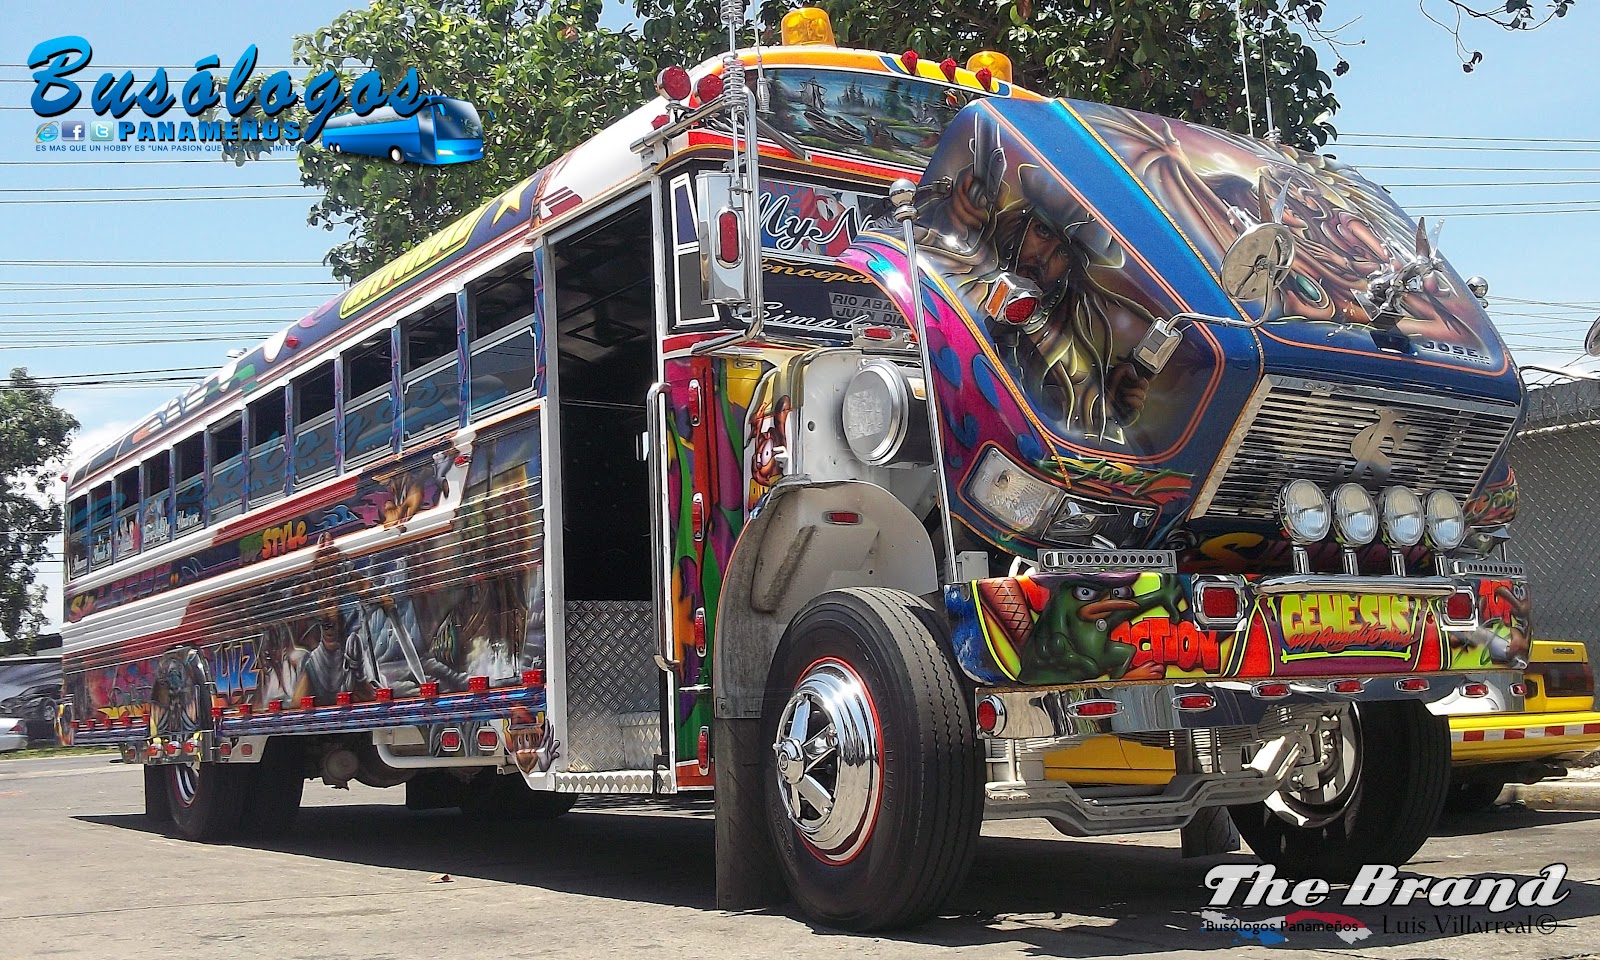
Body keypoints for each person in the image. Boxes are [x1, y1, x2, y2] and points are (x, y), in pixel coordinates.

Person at [915, 147, 1155, 444]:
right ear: (1023, 224)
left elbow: (1074, 432)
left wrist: (1108, 407)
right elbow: (917, 249)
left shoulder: (1070, 328)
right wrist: (946, 214)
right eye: (1042, 232)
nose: (1043, 257)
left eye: (1064, 252)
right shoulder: (967, 256)